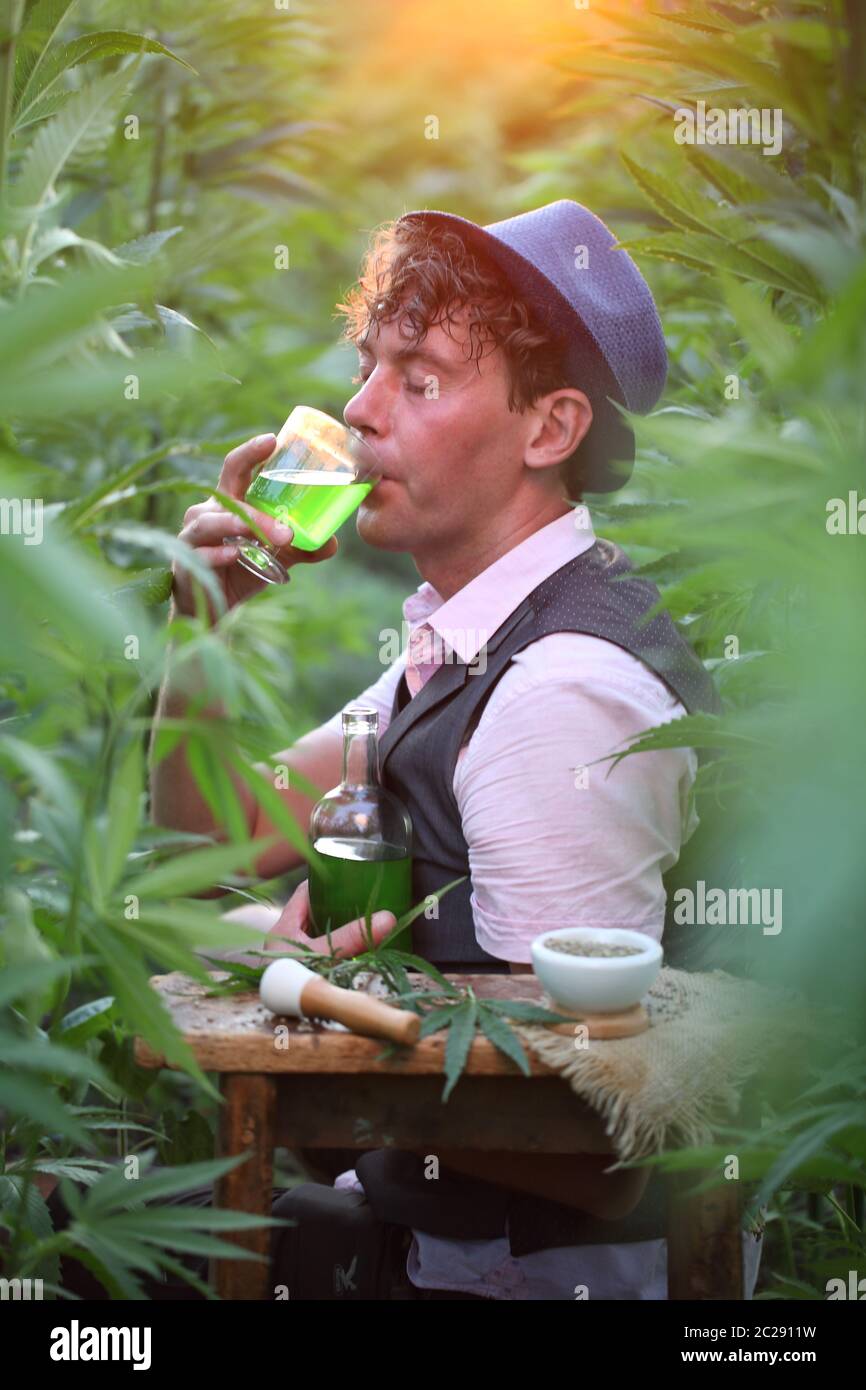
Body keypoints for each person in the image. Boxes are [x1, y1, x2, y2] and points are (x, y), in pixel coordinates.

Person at [148, 200, 762, 1299]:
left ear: (548, 429)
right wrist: (202, 625)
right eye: (367, 365)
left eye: (418, 378)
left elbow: (590, 1144)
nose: (357, 408)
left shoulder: (559, 694)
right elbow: (216, 838)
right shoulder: (463, 637)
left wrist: (282, 978)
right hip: (437, 1238)